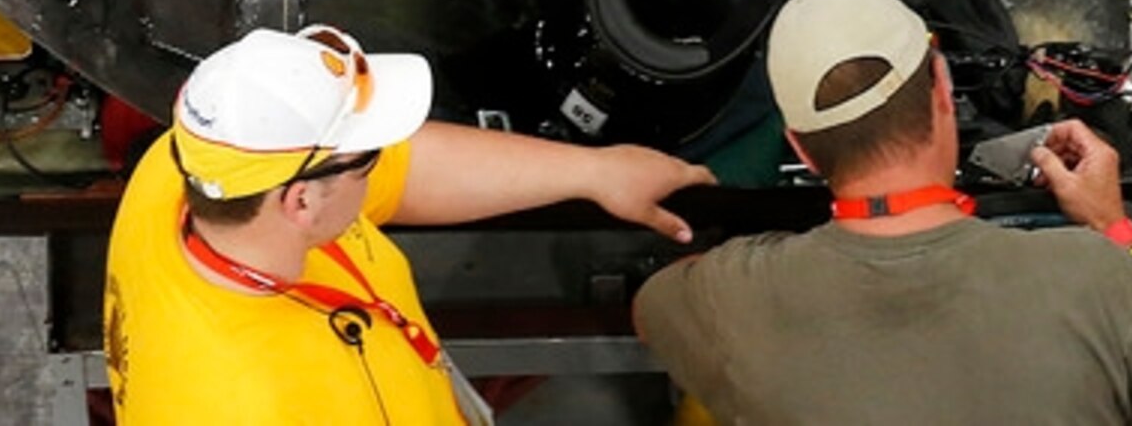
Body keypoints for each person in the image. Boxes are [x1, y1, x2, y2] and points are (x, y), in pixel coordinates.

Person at [630, 0, 1132, 426]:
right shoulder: (1094, 281)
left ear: (802, 145)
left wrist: (751, 272)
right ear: (939, 83)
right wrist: (1113, 228)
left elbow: (650, 309)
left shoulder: (734, 296)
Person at [103, 22, 713, 425]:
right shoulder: (253, 403)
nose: (383, 162)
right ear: (301, 204)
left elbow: (410, 167)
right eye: (365, 158)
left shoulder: (194, 168)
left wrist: (594, 174)